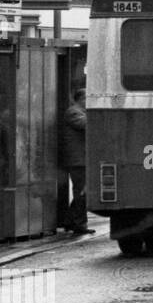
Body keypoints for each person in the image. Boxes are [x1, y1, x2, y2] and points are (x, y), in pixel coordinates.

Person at [60, 85, 93, 236]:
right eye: (88, 99)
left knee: (83, 191)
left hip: (82, 159)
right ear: (81, 99)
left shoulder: (80, 112)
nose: (90, 102)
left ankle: (70, 220)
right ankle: (80, 224)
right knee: (82, 192)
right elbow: (87, 124)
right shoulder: (73, 112)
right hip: (78, 160)